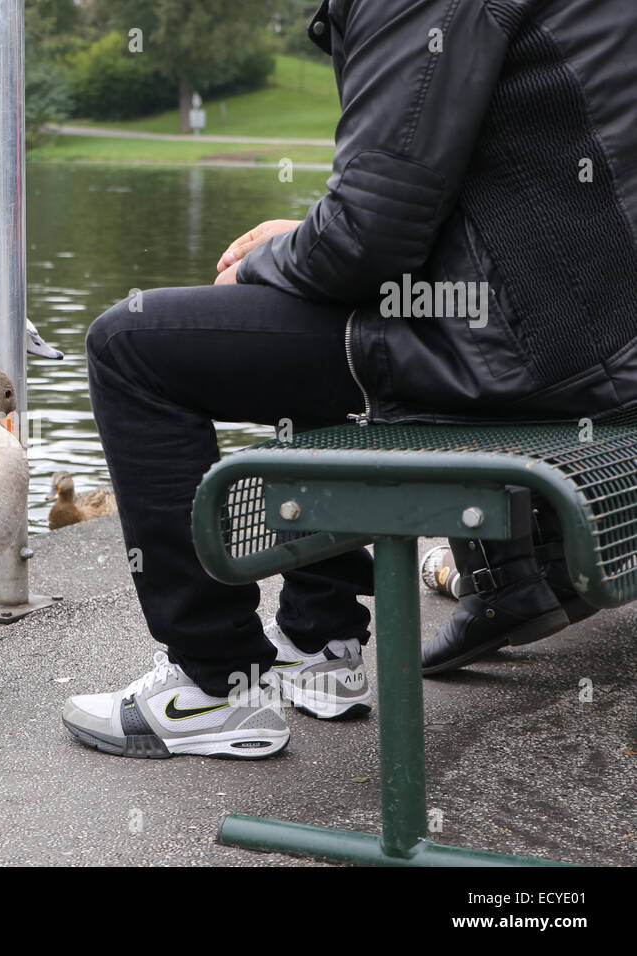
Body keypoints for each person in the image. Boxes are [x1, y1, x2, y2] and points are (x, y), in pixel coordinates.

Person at [62, 0, 637, 760]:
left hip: (536, 351)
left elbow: (368, 239)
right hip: (592, 335)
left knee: (131, 345)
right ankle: (319, 642)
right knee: (297, 313)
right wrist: (303, 240)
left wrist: (275, 255)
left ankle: (213, 685)